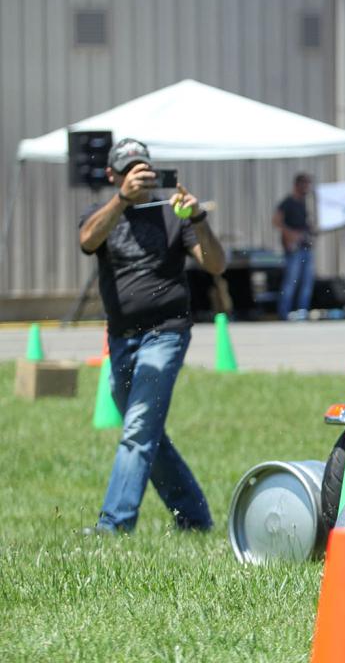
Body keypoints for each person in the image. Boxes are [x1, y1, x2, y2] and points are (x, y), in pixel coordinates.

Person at [78, 138, 225, 534]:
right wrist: (122, 201)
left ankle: (114, 523)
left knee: (139, 428)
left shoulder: (173, 213)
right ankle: (194, 517)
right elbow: (88, 240)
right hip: (122, 338)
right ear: (113, 175)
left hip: (167, 334)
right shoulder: (102, 214)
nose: (138, 176)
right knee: (145, 433)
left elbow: (215, 264)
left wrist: (197, 218)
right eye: (129, 171)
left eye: (143, 168)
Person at [274, 172, 316, 320]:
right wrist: (291, 234)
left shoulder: (304, 203)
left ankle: (302, 311)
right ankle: (284, 312)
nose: (307, 187)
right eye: (305, 184)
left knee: (306, 282)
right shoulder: (288, 202)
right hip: (294, 249)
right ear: (297, 185)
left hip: (306, 248)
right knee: (291, 282)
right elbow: (276, 221)